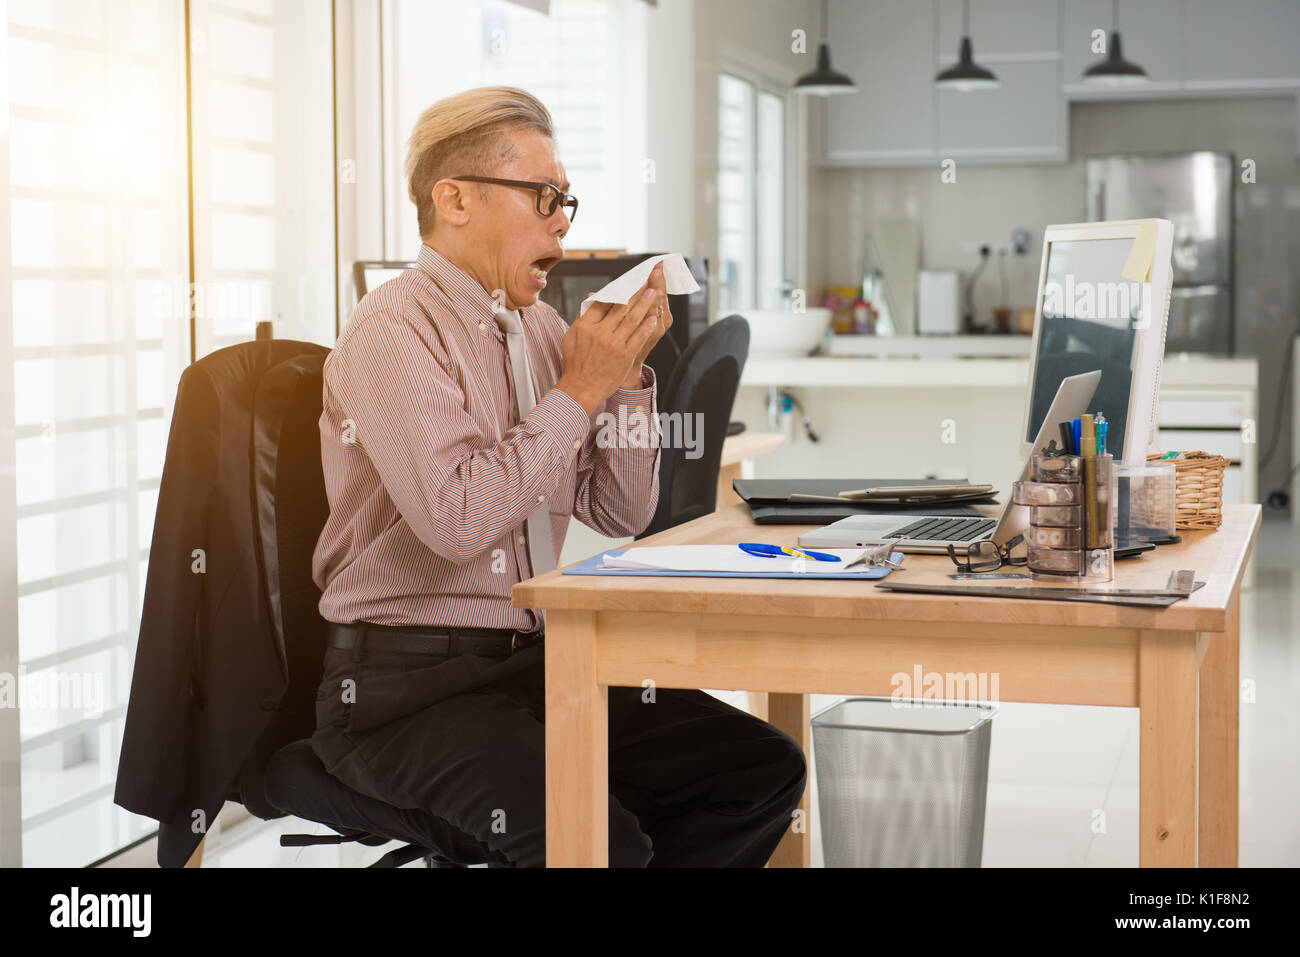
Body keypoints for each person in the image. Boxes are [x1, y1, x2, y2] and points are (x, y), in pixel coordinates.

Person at [310, 85, 806, 866]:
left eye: (565, 199)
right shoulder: (393, 327)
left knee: (759, 770)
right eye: (543, 196)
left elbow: (620, 511)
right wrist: (577, 392)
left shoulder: (539, 329)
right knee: (600, 845)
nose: (562, 221)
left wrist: (627, 378)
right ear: (455, 199)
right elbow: (459, 520)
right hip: (403, 693)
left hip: (534, 664)